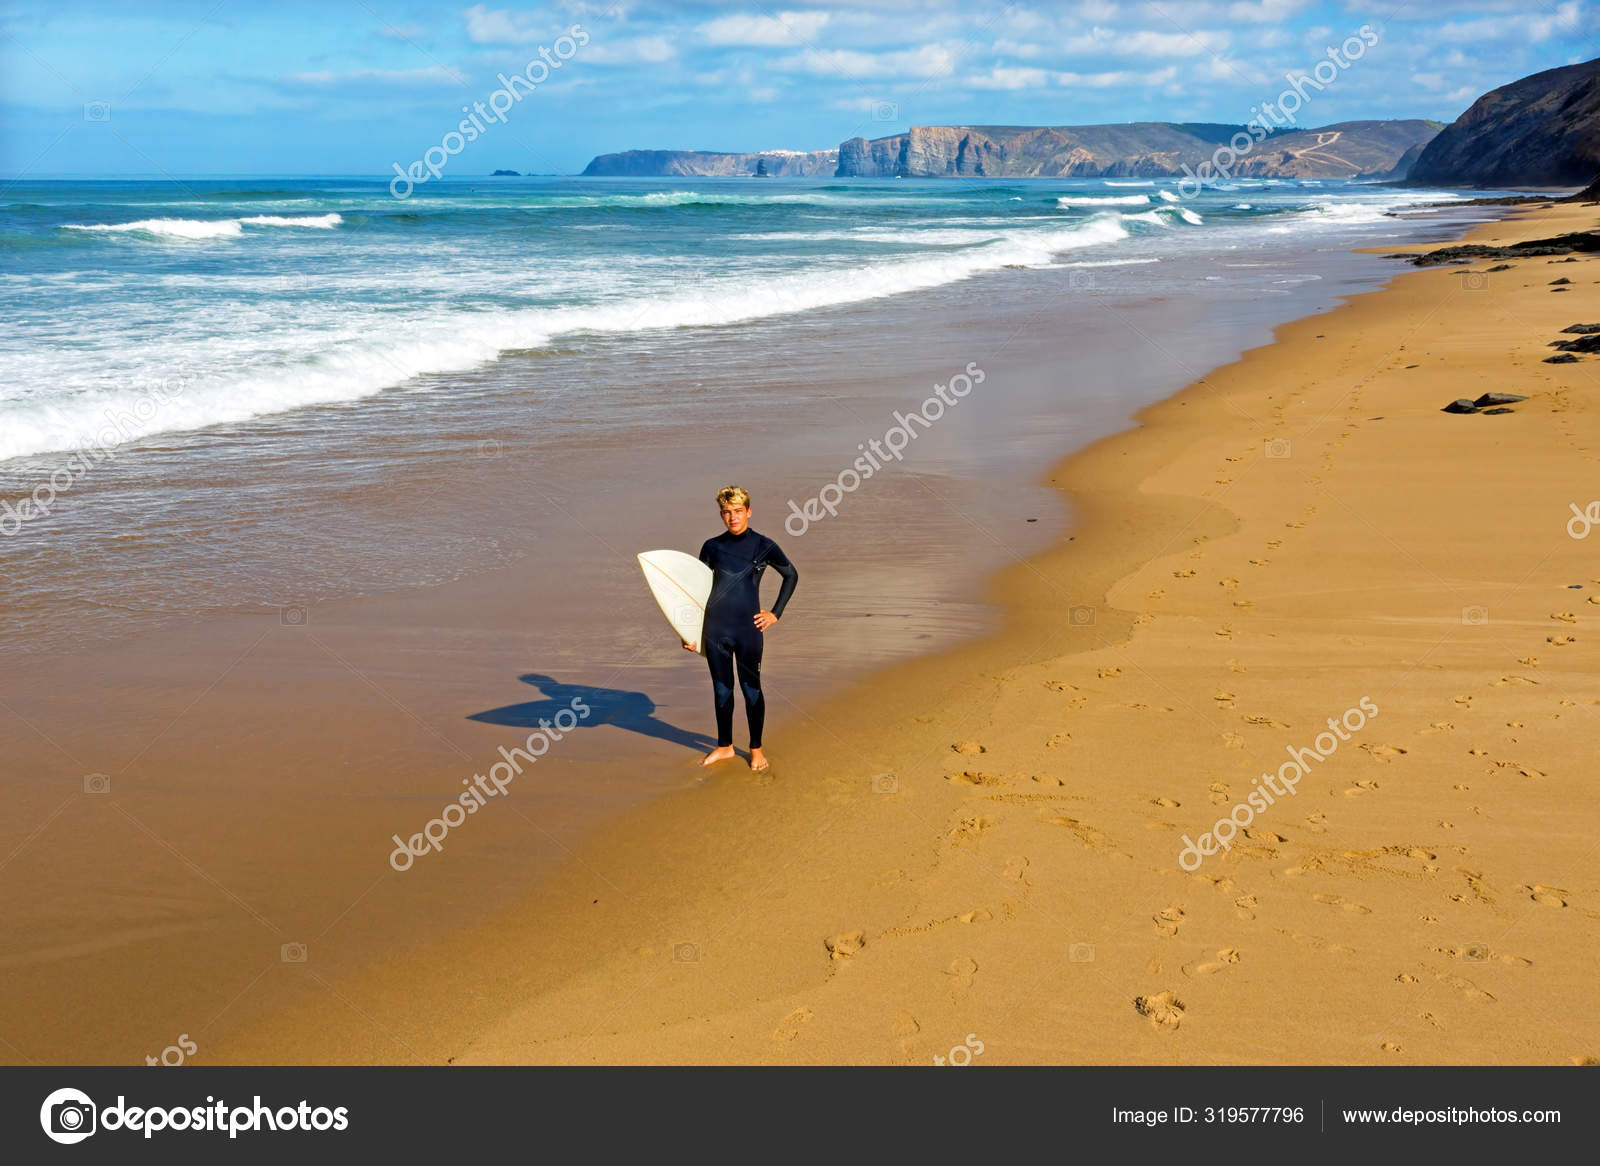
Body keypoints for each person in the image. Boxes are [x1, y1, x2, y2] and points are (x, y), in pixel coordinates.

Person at [684, 485, 797, 772]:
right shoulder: (712, 546)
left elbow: (790, 575)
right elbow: (697, 592)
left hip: (748, 631)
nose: (732, 518)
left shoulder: (764, 545)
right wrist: (689, 632)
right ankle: (725, 747)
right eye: (726, 513)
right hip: (715, 630)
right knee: (722, 691)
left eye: (737, 512)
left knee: (751, 691)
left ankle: (755, 749)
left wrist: (775, 613)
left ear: (748, 511)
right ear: (721, 515)